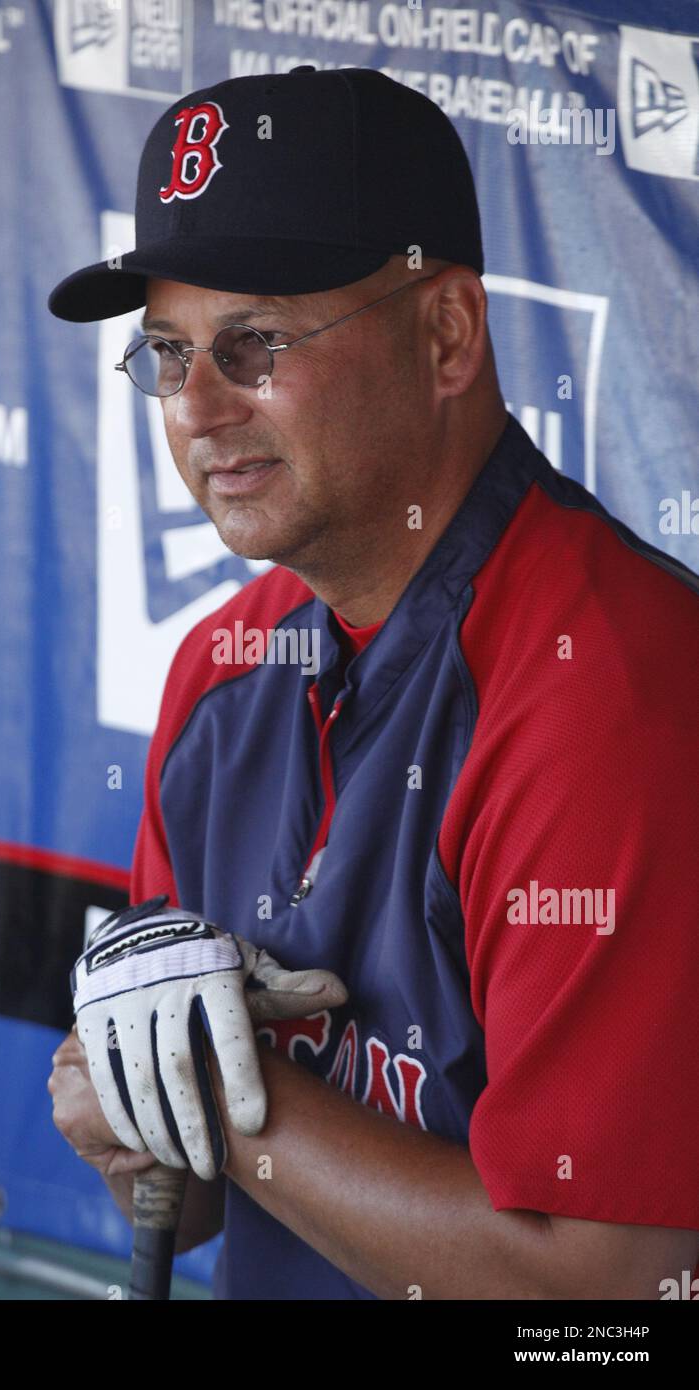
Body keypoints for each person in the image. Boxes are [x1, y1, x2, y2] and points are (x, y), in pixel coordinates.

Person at [46, 67, 699, 1300]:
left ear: (444, 335)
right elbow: (177, 1210)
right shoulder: (216, 676)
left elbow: (610, 1290)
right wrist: (121, 1083)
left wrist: (229, 1099)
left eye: (253, 345)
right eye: (167, 353)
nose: (195, 407)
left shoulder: (608, 694)